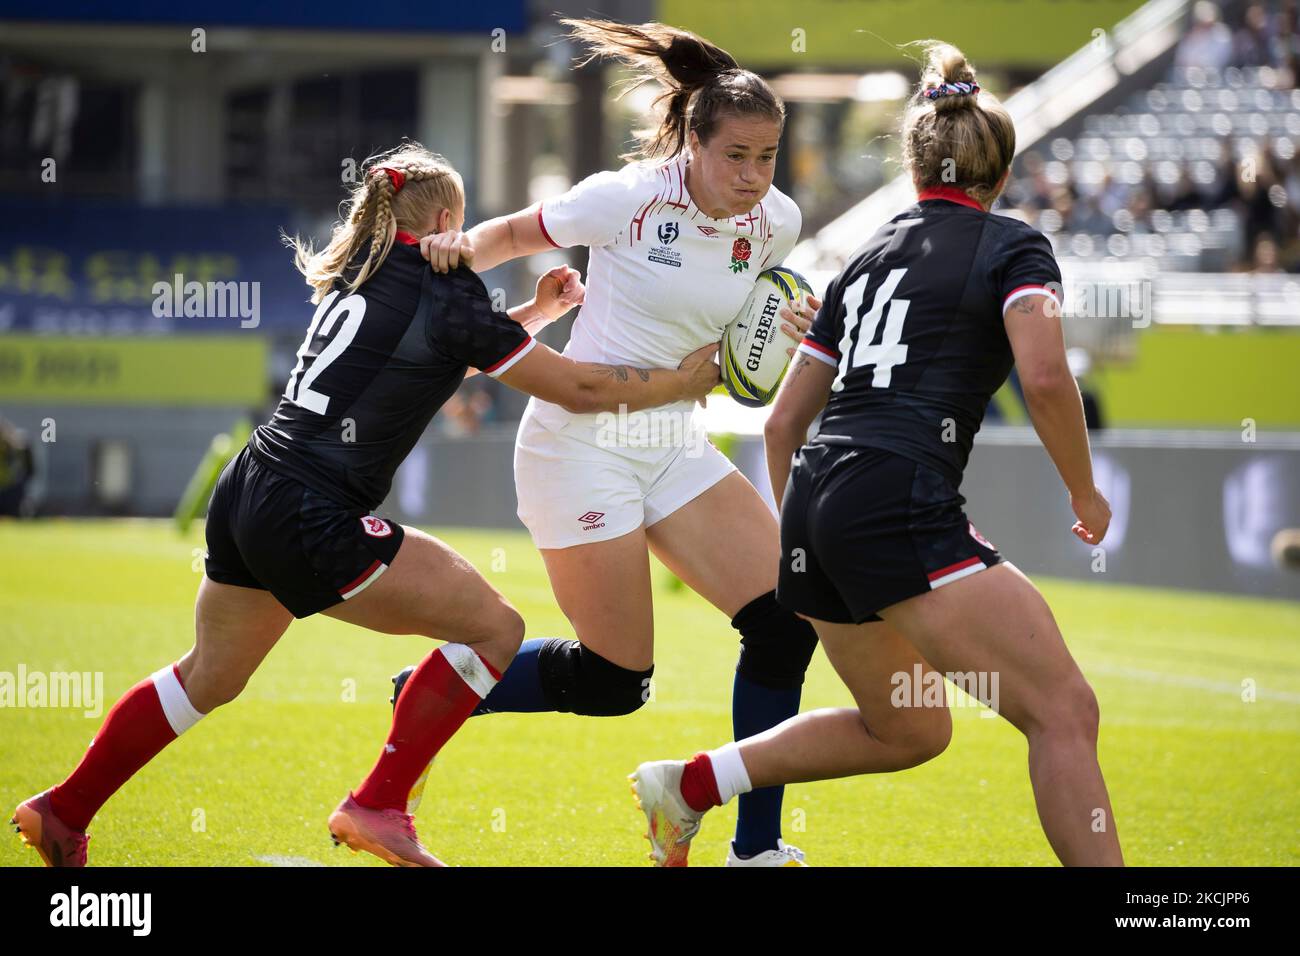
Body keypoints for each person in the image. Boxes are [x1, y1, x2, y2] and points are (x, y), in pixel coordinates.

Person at [10, 144, 719, 868]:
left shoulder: (360, 270)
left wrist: (536, 312)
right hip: (310, 509)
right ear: (447, 219)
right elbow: (580, 390)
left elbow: (435, 349)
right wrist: (689, 379)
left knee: (208, 677)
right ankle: (379, 803)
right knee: (494, 630)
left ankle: (63, 808)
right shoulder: (448, 293)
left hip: (250, 486)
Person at [629, 42, 1124, 867]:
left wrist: (810, 541)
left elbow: (786, 425)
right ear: (997, 173)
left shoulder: (862, 259)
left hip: (818, 496)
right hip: (893, 496)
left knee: (909, 725)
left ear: (917, 167)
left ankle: (692, 785)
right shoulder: (1013, 246)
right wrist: (1086, 491)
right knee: (1063, 709)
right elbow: (1044, 378)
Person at [402, 18, 821, 866]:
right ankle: (426, 692)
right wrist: (458, 249)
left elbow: (739, 338)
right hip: (578, 444)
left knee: (785, 626)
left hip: (673, 440)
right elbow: (517, 233)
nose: (752, 176)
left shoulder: (778, 222)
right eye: (735, 155)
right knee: (614, 683)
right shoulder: (627, 195)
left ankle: (757, 850)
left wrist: (782, 330)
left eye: (767, 156)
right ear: (693, 144)